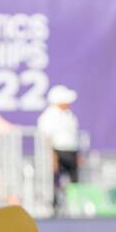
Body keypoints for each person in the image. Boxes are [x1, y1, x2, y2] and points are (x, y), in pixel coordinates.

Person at [37, 84, 81, 212]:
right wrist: (53, 158)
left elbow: (73, 136)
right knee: (55, 183)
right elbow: (46, 139)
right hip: (58, 153)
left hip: (70, 152)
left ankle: (73, 207)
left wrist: (77, 154)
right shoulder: (49, 116)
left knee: (74, 182)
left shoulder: (69, 114)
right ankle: (55, 207)